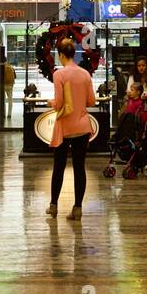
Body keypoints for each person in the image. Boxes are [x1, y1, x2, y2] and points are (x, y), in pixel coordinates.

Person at [46, 37, 96, 221]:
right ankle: (77, 208)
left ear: (60, 55)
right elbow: (91, 101)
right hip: (82, 126)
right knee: (79, 168)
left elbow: (59, 103)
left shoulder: (59, 74)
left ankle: (53, 206)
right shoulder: (85, 74)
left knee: (58, 167)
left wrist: (50, 102)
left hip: (65, 127)